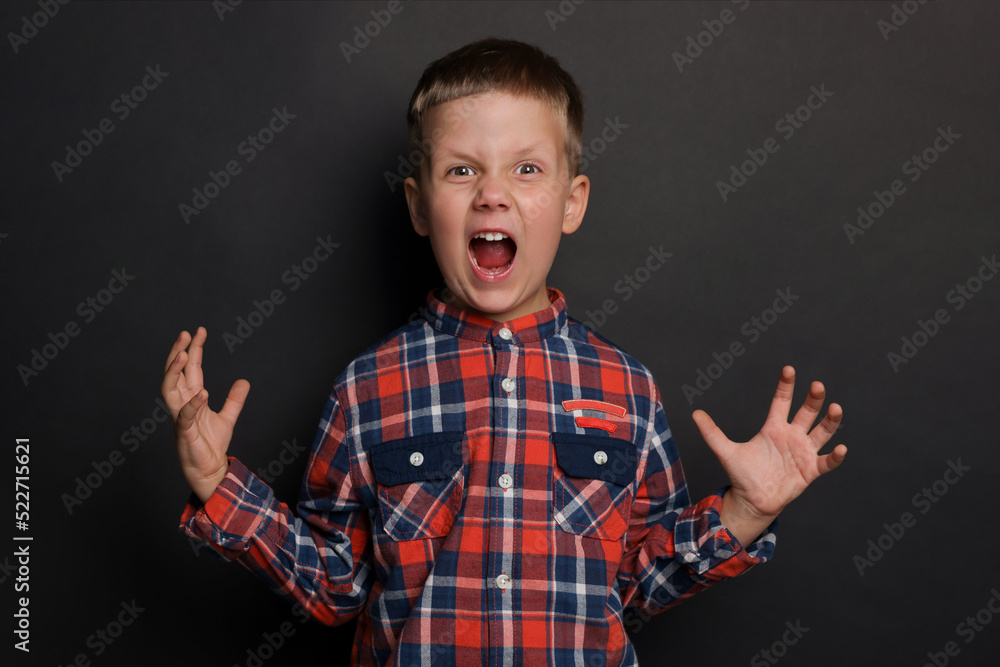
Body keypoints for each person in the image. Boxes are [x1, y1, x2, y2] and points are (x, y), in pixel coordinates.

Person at [162, 38, 847, 666]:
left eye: (526, 169)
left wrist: (744, 513)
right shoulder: (366, 389)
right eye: (462, 171)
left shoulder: (627, 389)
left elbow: (636, 585)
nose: (493, 194)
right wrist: (218, 484)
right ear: (420, 206)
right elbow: (336, 584)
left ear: (571, 201)